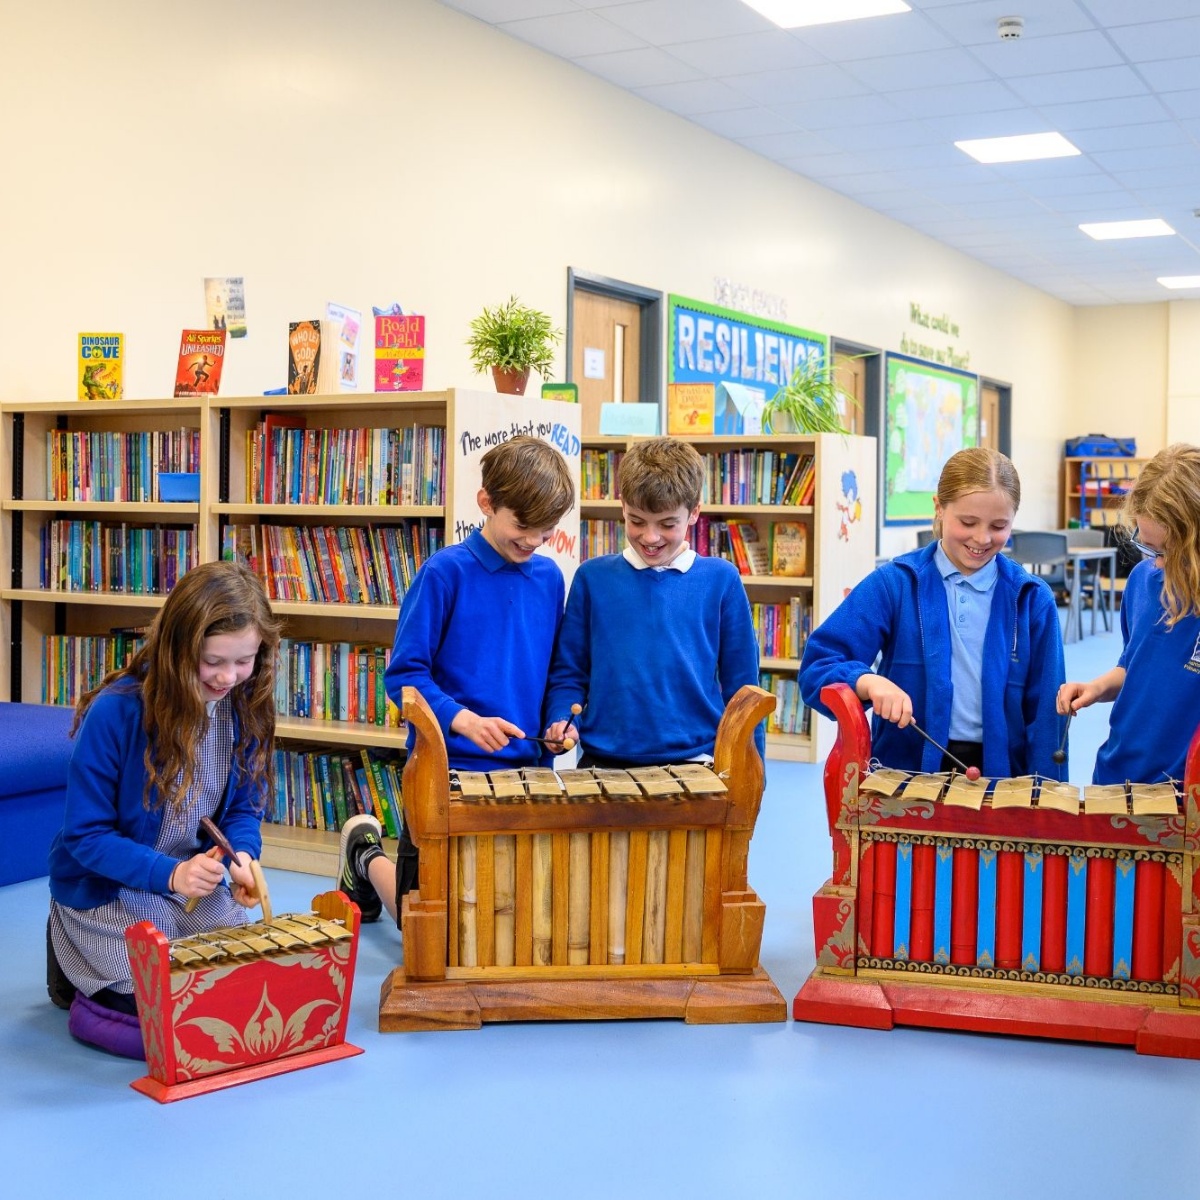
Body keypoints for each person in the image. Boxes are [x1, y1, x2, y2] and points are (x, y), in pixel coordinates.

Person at [337, 434, 576, 926]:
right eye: (523, 526)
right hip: (443, 769)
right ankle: (363, 852)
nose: (532, 541)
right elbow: (404, 677)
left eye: (546, 532)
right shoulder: (444, 574)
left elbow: (556, 672)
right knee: (423, 922)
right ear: (486, 502)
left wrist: (557, 724)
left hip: (524, 774)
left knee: (508, 919)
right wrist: (463, 720)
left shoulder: (550, 579)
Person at [47, 560, 282, 1053]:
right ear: (178, 647)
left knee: (239, 989)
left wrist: (242, 856)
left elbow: (243, 807)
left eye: (244, 660)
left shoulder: (245, 702)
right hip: (110, 887)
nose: (228, 677)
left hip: (189, 884)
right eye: (213, 660)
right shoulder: (117, 711)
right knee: (163, 1011)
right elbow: (85, 837)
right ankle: (68, 951)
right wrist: (171, 876)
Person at [800, 446, 1066, 780]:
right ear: (939, 508)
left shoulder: (1032, 598)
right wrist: (868, 682)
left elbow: (1047, 717)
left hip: (1002, 778)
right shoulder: (894, 583)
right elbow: (818, 667)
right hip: (906, 773)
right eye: (967, 522)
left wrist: (1046, 799)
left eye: (999, 526)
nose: (981, 539)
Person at [542, 436, 763, 768]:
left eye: (667, 524)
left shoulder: (722, 580)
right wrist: (561, 718)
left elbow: (744, 690)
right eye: (637, 521)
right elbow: (569, 674)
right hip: (602, 762)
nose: (650, 537)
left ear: (694, 513)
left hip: (697, 762)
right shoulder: (592, 579)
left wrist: (753, 770)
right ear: (622, 507)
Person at [1058, 443, 1200, 785]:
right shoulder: (1142, 580)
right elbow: (1133, 666)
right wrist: (1097, 687)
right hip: (1118, 772)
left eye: (1169, 551)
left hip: (1184, 789)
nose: (1158, 563)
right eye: (1148, 547)